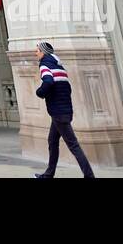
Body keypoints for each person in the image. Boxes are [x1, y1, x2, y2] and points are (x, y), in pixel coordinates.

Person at [33, 41, 95, 179]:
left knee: (73, 145)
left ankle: (89, 175)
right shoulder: (59, 66)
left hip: (58, 112)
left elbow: (48, 82)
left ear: (43, 52)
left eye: (37, 50)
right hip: (64, 109)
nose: (35, 53)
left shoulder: (44, 65)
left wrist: (40, 92)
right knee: (52, 141)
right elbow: (67, 88)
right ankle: (49, 174)